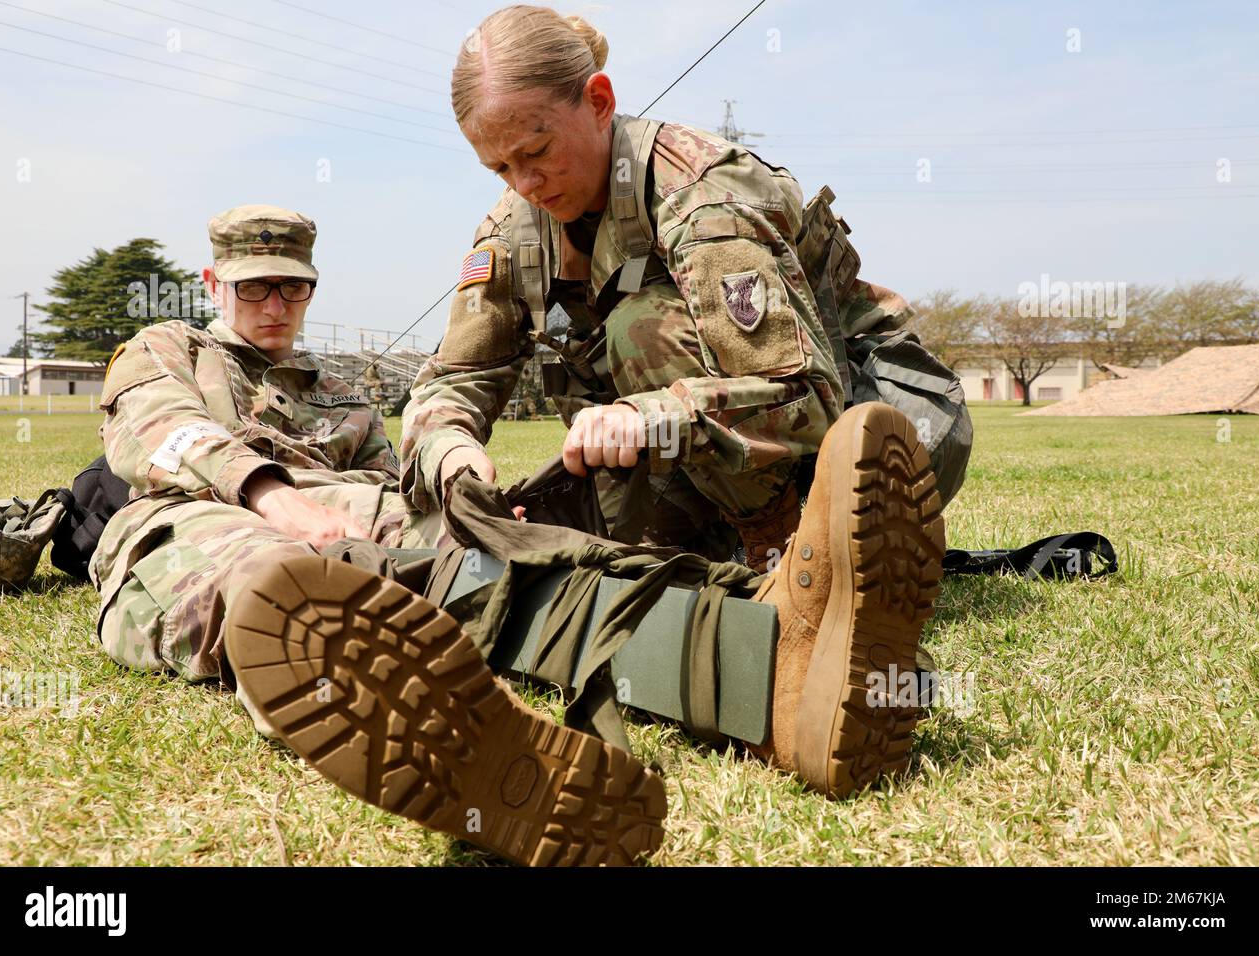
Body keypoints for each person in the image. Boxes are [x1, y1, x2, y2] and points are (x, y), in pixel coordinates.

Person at [90, 203, 947, 868]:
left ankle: (774, 669)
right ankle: (419, 725)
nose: (275, 304)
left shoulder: (340, 391)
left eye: (293, 287)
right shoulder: (165, 349)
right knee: (280, 589)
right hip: (194, 520)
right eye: (254, 288)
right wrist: (278, 498)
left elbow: (394, 482)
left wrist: (472, 499)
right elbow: (156, 432)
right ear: (213, 285)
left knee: (517, 570)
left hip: (359, 518)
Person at [398, 5, 972, 573]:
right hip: (705, 448)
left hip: (876, 417)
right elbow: (455, 378)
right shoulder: (512, 232)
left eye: (537, 152)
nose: (524, 184)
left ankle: (779, 546)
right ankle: (722, 538)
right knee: (582, 558)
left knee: (638, 328)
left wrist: (650, 418)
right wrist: (451, 453)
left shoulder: (703, 196)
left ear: (599, 102)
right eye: (499, 167)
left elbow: (805, 394)